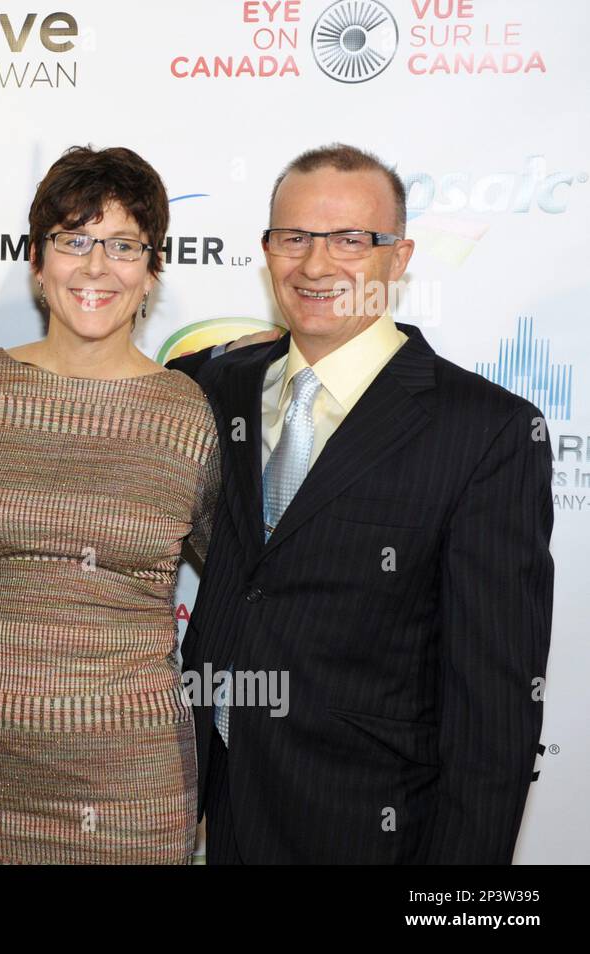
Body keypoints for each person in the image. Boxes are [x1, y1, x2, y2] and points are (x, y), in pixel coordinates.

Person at [163, 143, 554, 863]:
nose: (316, 266)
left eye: (350, 240)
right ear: (266, 249)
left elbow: (493, 715)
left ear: (398, 258)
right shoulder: (211, 391)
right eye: (295, 238)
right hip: (208, 803)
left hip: (369, 825)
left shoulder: (484, 430)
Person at [0, 146, 220, 864]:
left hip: (133, 783)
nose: (95, 267)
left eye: (122, 245)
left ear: (151, 271)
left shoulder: (190, 414)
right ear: (37, 262)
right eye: (73, 240)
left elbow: (249, 579)